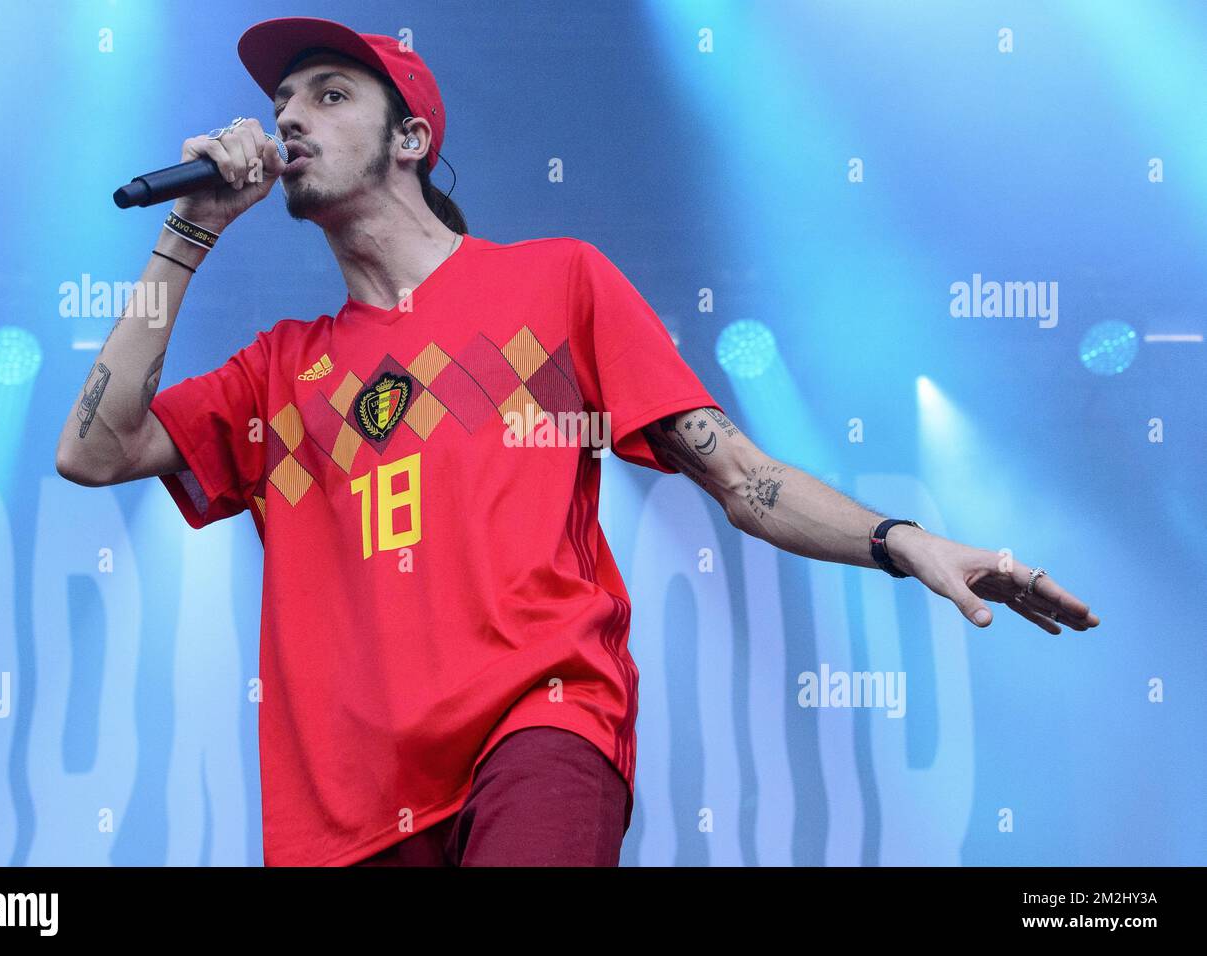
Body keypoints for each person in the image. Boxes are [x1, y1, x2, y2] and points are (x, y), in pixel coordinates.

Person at [54, 17, 1099, 867]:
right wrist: (187, 230)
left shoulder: (554, 285)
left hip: (539, 725)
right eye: (283, 102)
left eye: (329, 95)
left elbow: (738, 474)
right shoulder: (277, 370)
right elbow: (94, 451)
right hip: (343, 808)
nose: (288, 118)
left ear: (410, 138)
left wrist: (901, 538)